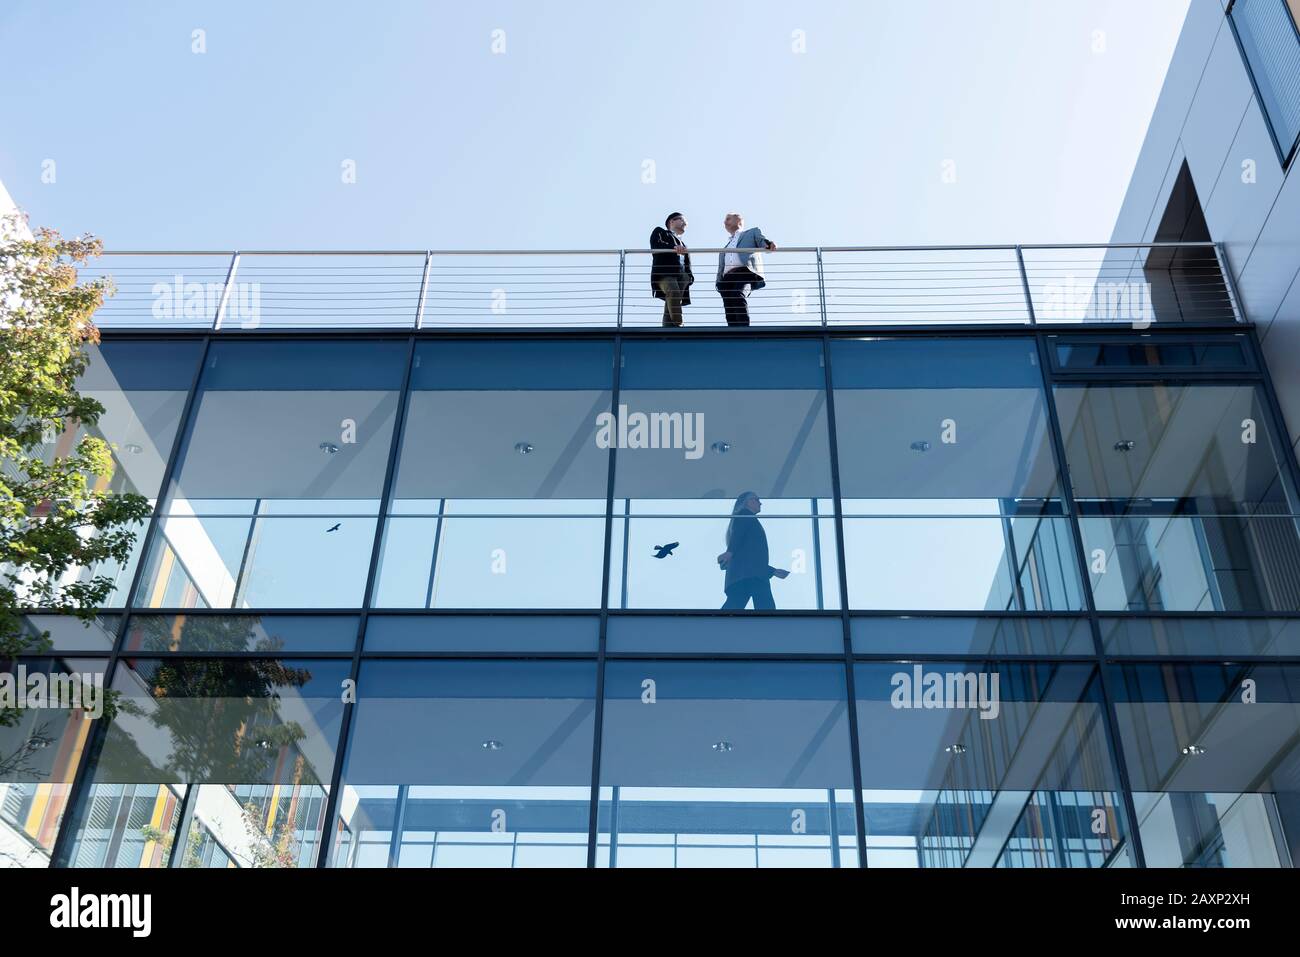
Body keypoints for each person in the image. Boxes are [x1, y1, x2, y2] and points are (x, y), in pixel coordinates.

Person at [717, 491, 789, 609]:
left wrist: (773, 571)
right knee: (766, 609)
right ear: (746, 502)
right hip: (752, 576)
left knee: (735, 606)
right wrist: (730, 551)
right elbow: (738, 535)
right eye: (756, 499)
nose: (760, 503)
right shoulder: (744, 515)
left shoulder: (746, 518)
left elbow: (750, 556)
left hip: (748, 575)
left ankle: (716, 624)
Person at [715, 212, 777, 327]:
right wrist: (719, 281)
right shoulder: (725, 247)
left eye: (728, 219)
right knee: (728, 304)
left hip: (744, 272)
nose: (725, 222)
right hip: (727, 278)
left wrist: (768, 244)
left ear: (738, 220)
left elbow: (762, 241)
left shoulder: (751, 232)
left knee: (737, 294)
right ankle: (733, 332)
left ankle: (744, 330)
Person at [649, 212, 693, 327]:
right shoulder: (660, 232)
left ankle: (667, 331)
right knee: (673, 291)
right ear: (671, 221)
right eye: (682, 220)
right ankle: (679, 325)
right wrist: (673, 248)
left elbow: (686, 261)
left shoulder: (683, 243)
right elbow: (656, 246)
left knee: (673, 301)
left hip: (682, 275)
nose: (685, 223)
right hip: (665, 273)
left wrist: (689, 276)